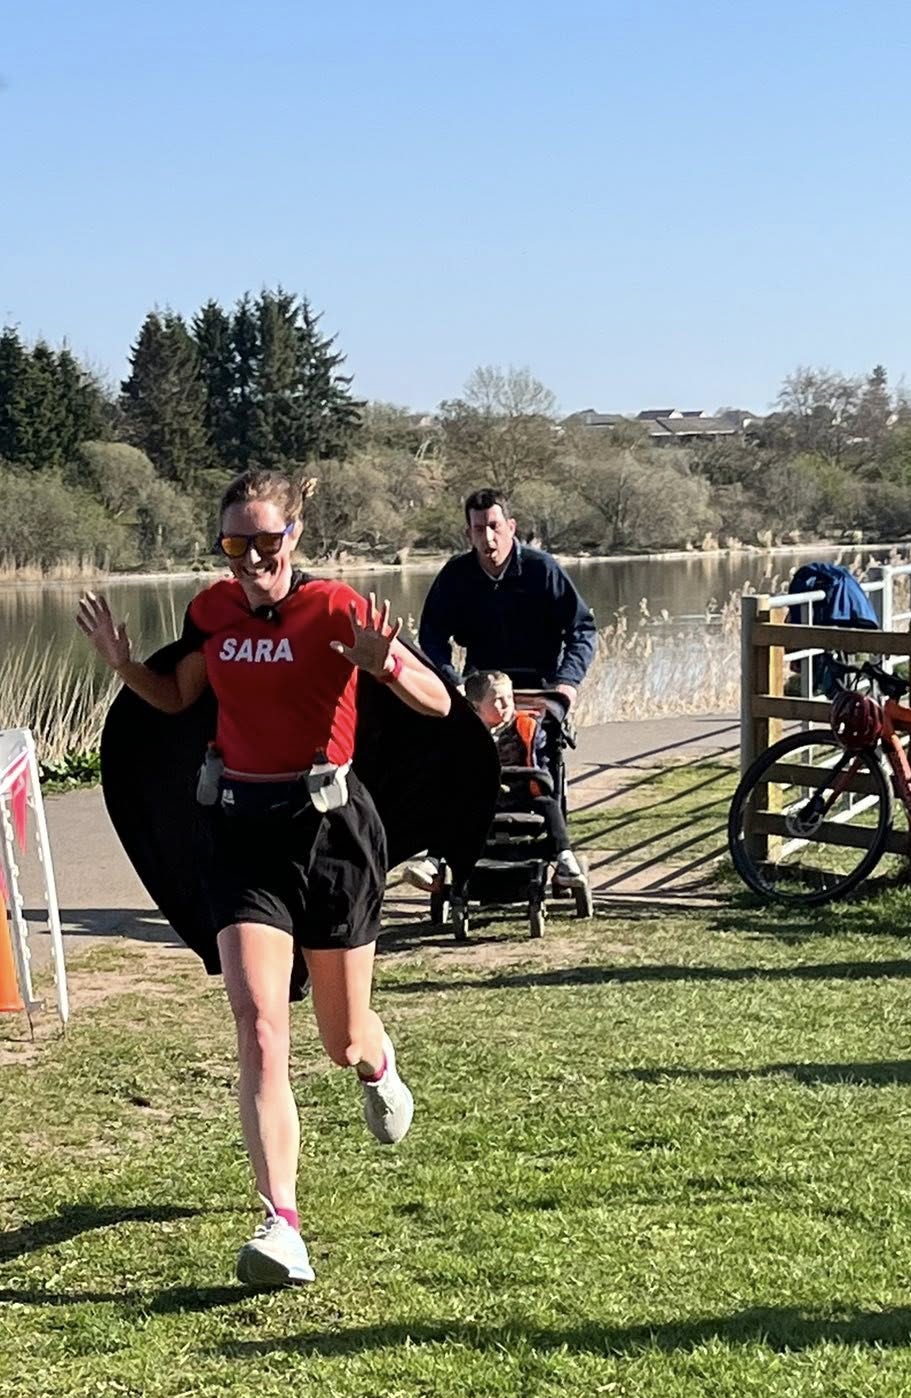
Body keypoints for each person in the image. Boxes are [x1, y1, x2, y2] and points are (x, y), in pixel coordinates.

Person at [77, 468, 454, 1291]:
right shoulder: (210, 611)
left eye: (266, 541)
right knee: (256, 1023)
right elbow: (177, 698)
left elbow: (439, 704)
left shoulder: (338, 609)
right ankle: (282, 1223)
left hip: (332, 837)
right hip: (244, 834)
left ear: (295, 538)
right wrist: (122, 665)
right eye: (234, 543)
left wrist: (385, 662)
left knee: (339, 1038)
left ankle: (378, 1063)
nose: (251, 558)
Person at [417, 488, 596, 709]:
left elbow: (582, 629)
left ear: (511, 527)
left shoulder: (542, 568)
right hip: (482, 689)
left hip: (539, 686)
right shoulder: (456, 574)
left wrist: (568, 681)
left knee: (535, 738)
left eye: (494, 527)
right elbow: (431, 635)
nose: (488, 538)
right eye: (479, 529)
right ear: (469, 535)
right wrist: (451, 679)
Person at [462, 669, 584, 884]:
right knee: (449, 807)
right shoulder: (468, 734)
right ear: (476, 705)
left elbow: (542, 764)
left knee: (550, 804)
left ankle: (563, 856)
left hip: (524, 793)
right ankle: (434, 860)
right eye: (497, 700)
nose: (507, 704)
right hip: (481, 797)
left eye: (509, 698)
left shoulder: (527, 728)